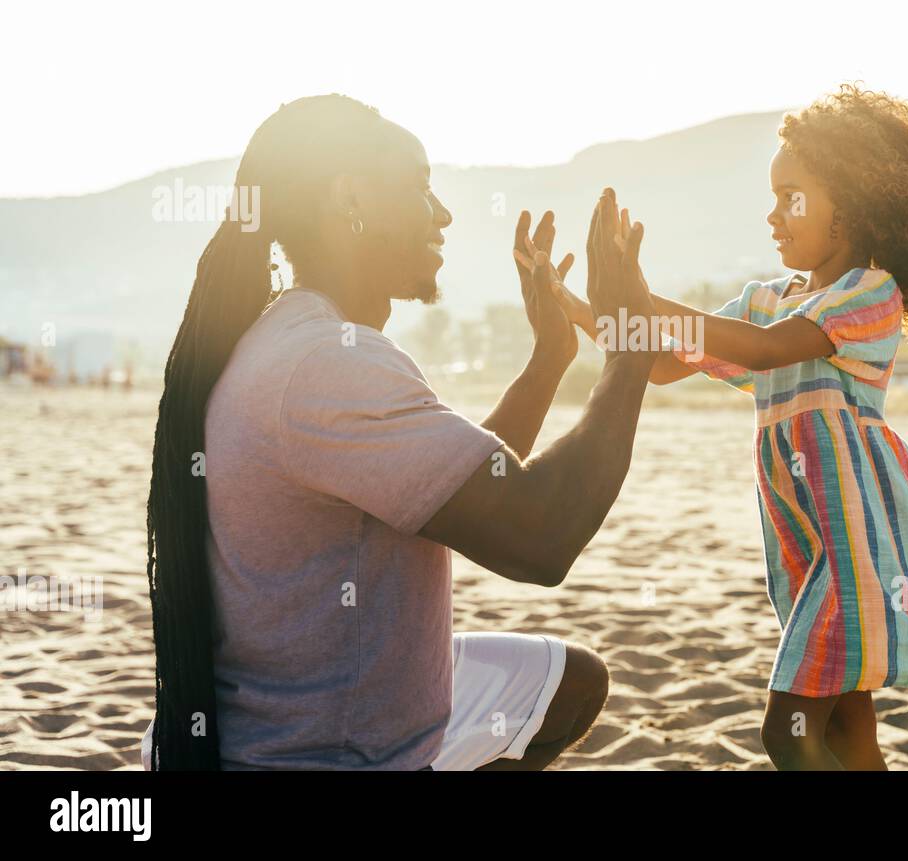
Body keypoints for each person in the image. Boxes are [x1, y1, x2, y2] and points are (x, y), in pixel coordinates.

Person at [141, 93, 656, 770]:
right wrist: (631, 350)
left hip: (283, 706)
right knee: (567, 679)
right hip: (316, 750)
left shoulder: (297, 337)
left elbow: (466, 488)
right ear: (351, 199)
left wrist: (549, 359)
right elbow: (541, 535)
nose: (442, 214)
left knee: (569, 683)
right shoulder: (326, 362)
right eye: (419, 186)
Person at [553, 85, 908, 769]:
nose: (773, 215)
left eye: (791, 197)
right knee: (849, 735)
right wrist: (580, 305)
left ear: (848, 206)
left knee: (786, 732)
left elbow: (767, 350)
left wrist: (641, 296)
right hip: (802, 546)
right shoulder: (766, 300)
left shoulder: (868, 295)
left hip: (855, 547)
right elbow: (661, 364)